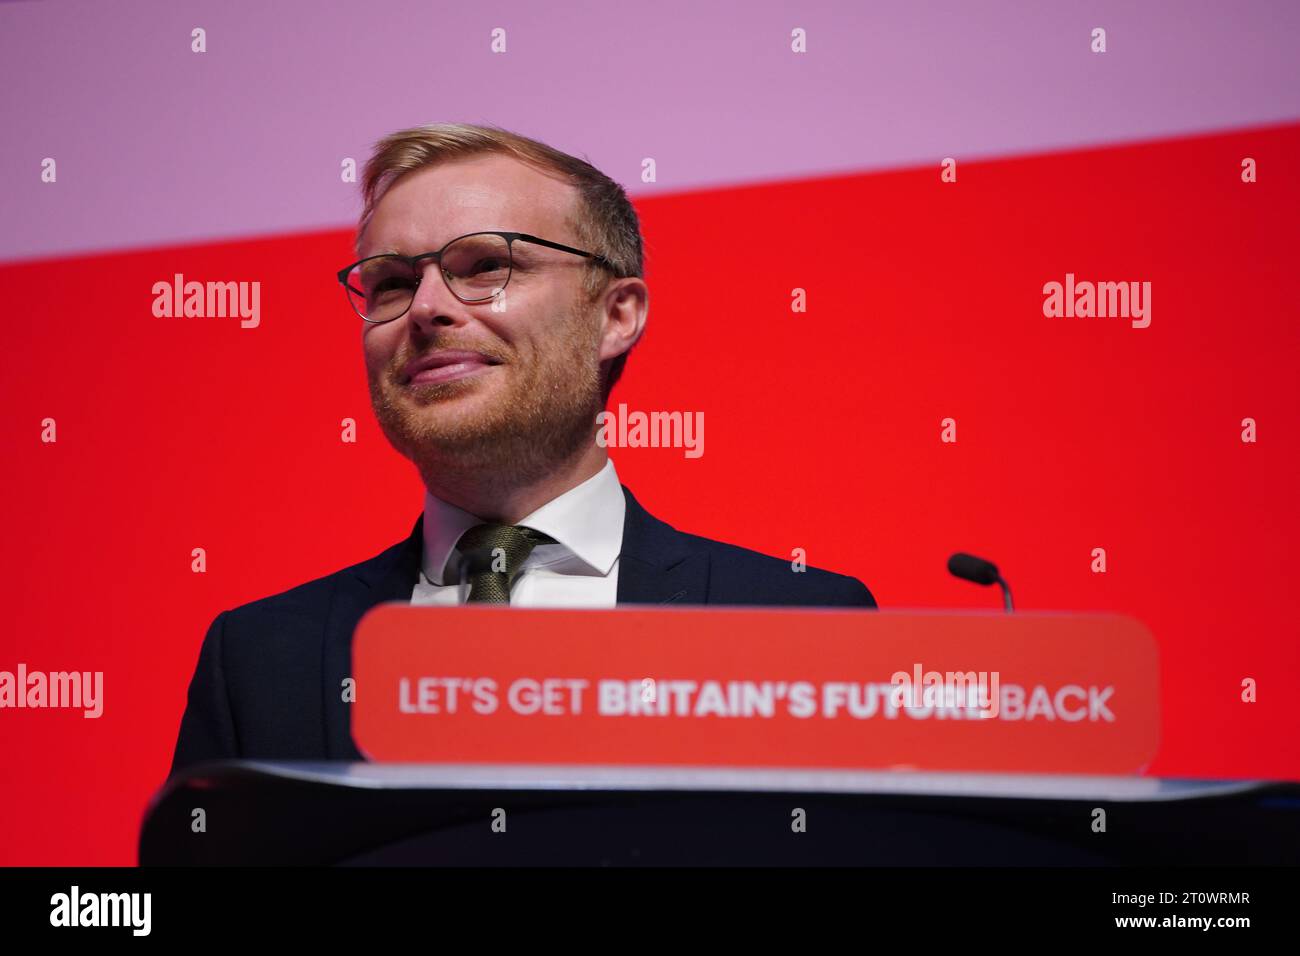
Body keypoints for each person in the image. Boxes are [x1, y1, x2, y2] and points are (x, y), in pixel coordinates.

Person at [169, 123, 876, 774]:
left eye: (483, 266)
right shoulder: (260, 660)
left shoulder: (800, 632)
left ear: (615, 315)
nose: (425, 308)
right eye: (392, 282)